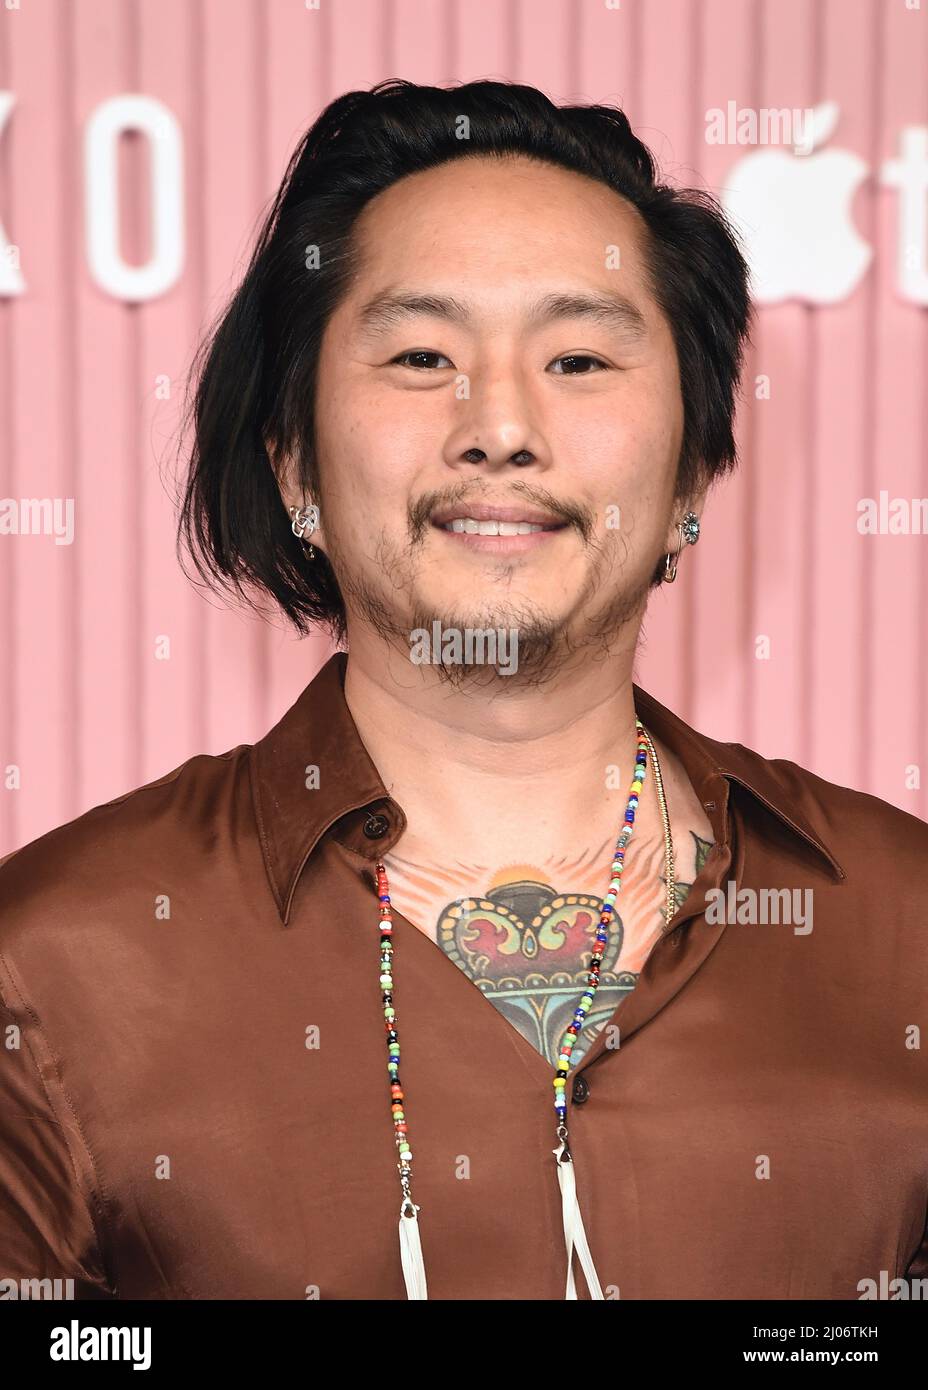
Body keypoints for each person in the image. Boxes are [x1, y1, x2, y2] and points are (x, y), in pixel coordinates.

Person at [1, 79, 925, 1302]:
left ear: (696, 467)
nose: (498, 424)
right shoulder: (55, 960)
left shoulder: (898, 929)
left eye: (580, 357)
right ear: (293, 464)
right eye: (423, 354)